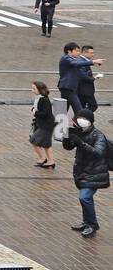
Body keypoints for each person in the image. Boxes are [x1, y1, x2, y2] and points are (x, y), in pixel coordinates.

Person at [63, 108, 109, 237]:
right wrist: (68, 138)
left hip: (96, 173)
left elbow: (98, 153)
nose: (81, 121)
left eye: (84, 119)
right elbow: (69, 147)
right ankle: (87, 222)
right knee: (86, 199)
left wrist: (80, 142)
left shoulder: (98, 135)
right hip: (82, 172)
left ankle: (93, 225)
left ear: (90, 121)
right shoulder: (79, 132)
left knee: (84, 197)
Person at [59, 42, 98, 120]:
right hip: (67, 88)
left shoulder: (73, 60)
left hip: (69, 88)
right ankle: (79, 126)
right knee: (79, 110)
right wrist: (93, 62)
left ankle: (58, 127)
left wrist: (92, 78)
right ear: (69, 51)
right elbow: (76, 64)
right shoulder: (66, 58)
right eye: (76, 51)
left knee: (63, 110)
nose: (78, 53)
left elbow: (80, 73)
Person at [30, 81, 57, 170]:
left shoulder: (44, 99)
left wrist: (35, 112)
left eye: (34, 89)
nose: (32, 90)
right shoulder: (39, 98)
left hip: (46, 125)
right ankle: (50, 161)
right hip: (43, 124)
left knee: (34, 140)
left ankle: (43, 158)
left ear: (39, 90)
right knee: (46, 144)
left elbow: (45, 113)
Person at [79, 45, 105, 112]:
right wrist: (94, 77)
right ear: (84, 52)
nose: (93, 55)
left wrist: (96, 62)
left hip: (83, 90)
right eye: (91, 53)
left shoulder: (84, 60)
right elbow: (83, 76)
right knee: (93, 106)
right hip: (85, 90)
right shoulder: (80, 61)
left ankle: (79, 119)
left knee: (81, 107)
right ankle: (81, 116)